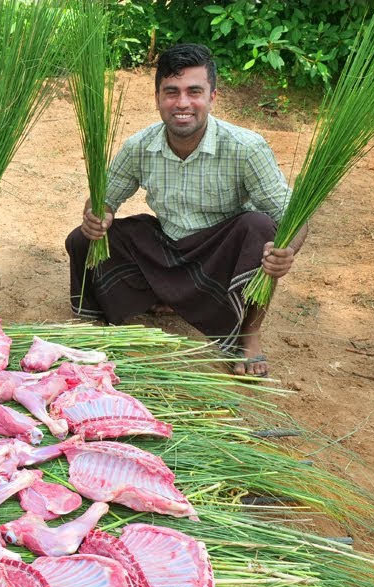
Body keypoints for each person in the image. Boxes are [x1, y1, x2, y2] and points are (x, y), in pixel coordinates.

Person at [65, 43, 307, 377]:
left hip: (219, 256)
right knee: (82, 240)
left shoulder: (246, 148)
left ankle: (248, 333)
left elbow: (292, 217)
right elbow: (103, 200)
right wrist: (98, 215)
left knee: (259, 226)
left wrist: (286, 249)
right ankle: (166, 298)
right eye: (171, 92)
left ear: (212, 97)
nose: (182, 103)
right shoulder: (139, 147)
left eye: (194, 92)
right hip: (167, 249)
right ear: (157, 98)